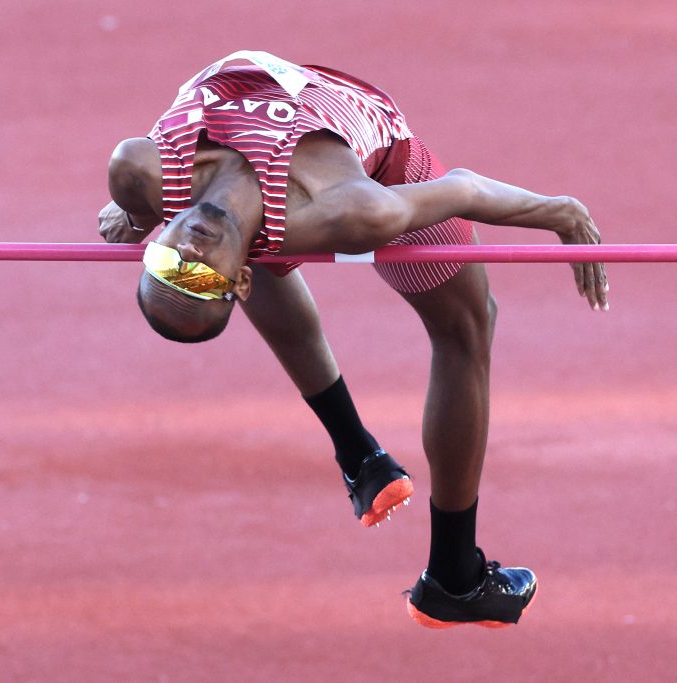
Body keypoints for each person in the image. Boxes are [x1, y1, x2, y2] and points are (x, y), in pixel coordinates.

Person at [98, 51, 609, 628]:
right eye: (197, 278)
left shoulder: (137, 173)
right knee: (465, 328)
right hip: (385, 167)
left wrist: (134, 214)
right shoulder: (354, 211)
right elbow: (464, 189)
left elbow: (182, 238)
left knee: (236, 232)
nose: (188, 254)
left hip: (276, 134)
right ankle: (455, 576)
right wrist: (562, 213)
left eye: (167, 264)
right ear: (238, 281)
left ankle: (361, 459)